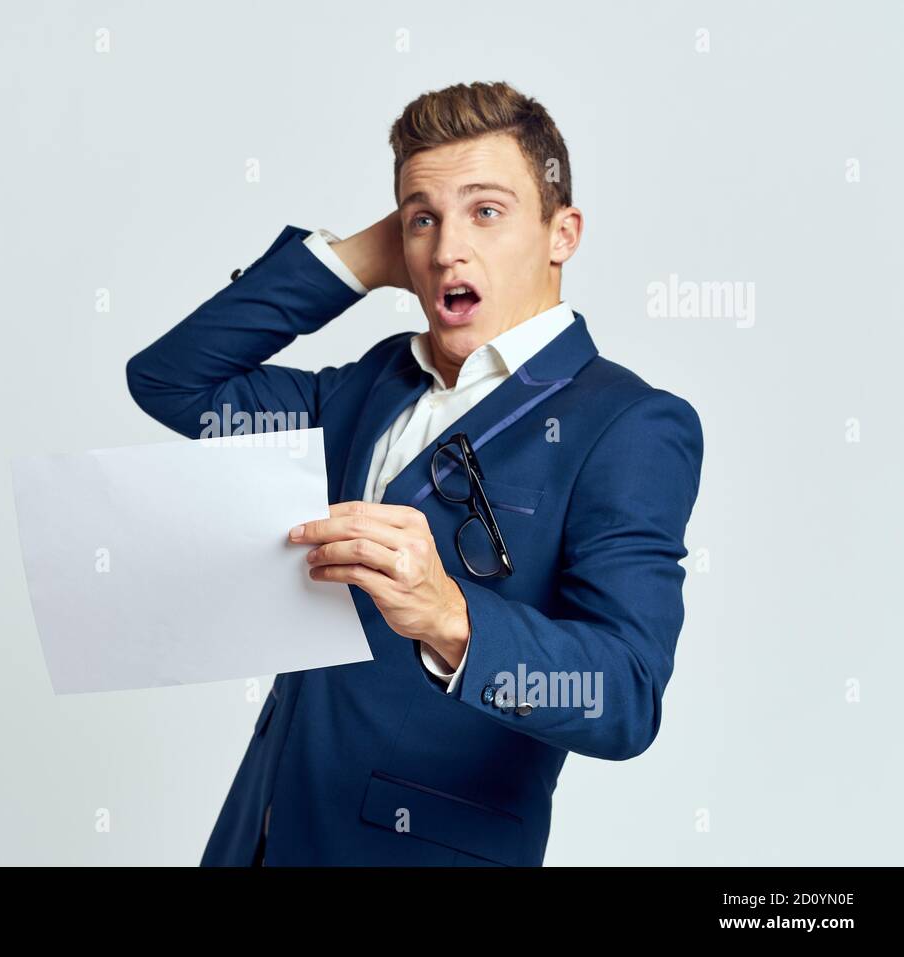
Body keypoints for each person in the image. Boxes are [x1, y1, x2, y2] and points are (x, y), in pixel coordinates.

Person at [126, 81, 704, 866]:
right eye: (422, 216)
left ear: (561, 232)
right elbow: (172, 382)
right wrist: (363, 257)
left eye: (486, 210)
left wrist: (451, 616)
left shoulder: (629, 424)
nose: (445, 248)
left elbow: (623, 694)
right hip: (259, 838)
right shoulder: (372, 385)